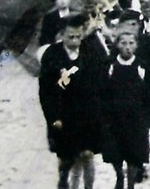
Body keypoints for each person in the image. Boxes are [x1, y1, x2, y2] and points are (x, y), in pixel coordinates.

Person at [39, 13, 106, 189]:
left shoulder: (90, 51)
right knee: (67, 158)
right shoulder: (52, 55)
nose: (75, 41)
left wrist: (98, 114)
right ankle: (63, 178)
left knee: (87, 155)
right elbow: (46, 92)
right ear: (62, 35)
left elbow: (100, 83)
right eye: (70, 37)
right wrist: (53, 117)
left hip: (87, 114)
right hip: (63, 115)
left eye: (78, 36)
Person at [103, 30, 150, 189]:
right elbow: (103, 92)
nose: (127, 47)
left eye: (131, 43)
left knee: (135, 152)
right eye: (123, 43)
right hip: (115, 117)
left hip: (136, 117)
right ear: (117, 45)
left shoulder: (142, 66)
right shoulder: (110, 66)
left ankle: (131, 183)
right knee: (116, 151)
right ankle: (119, 175)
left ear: (136, 45)